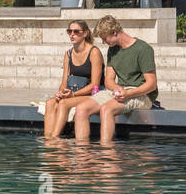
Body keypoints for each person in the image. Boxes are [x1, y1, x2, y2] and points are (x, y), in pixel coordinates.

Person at [71, 15, 158, 143]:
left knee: (106, 109)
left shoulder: (143, 49)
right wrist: (116, 88)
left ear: (114, 32)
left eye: (105, 38)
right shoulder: (113, 50)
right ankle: (82, 156)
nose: (104, 42)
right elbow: (108, 80)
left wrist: (128, 93)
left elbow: (151, 85)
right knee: (81, 109)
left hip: (141, 94)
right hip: (120, 91)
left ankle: (107, 157)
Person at [42, 19, 103, 139]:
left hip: (92, 94)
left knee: (64, 103)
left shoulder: (94, 52)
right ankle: (47, 137)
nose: (72, 34)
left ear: (85, 33)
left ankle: (55, 138)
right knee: (50, 103)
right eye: (69, 31)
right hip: (73, 93)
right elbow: (64, 81)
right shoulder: (68, 54)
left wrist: (73, 94)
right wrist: (60, 93)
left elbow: (95, 84)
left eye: (76, 31)